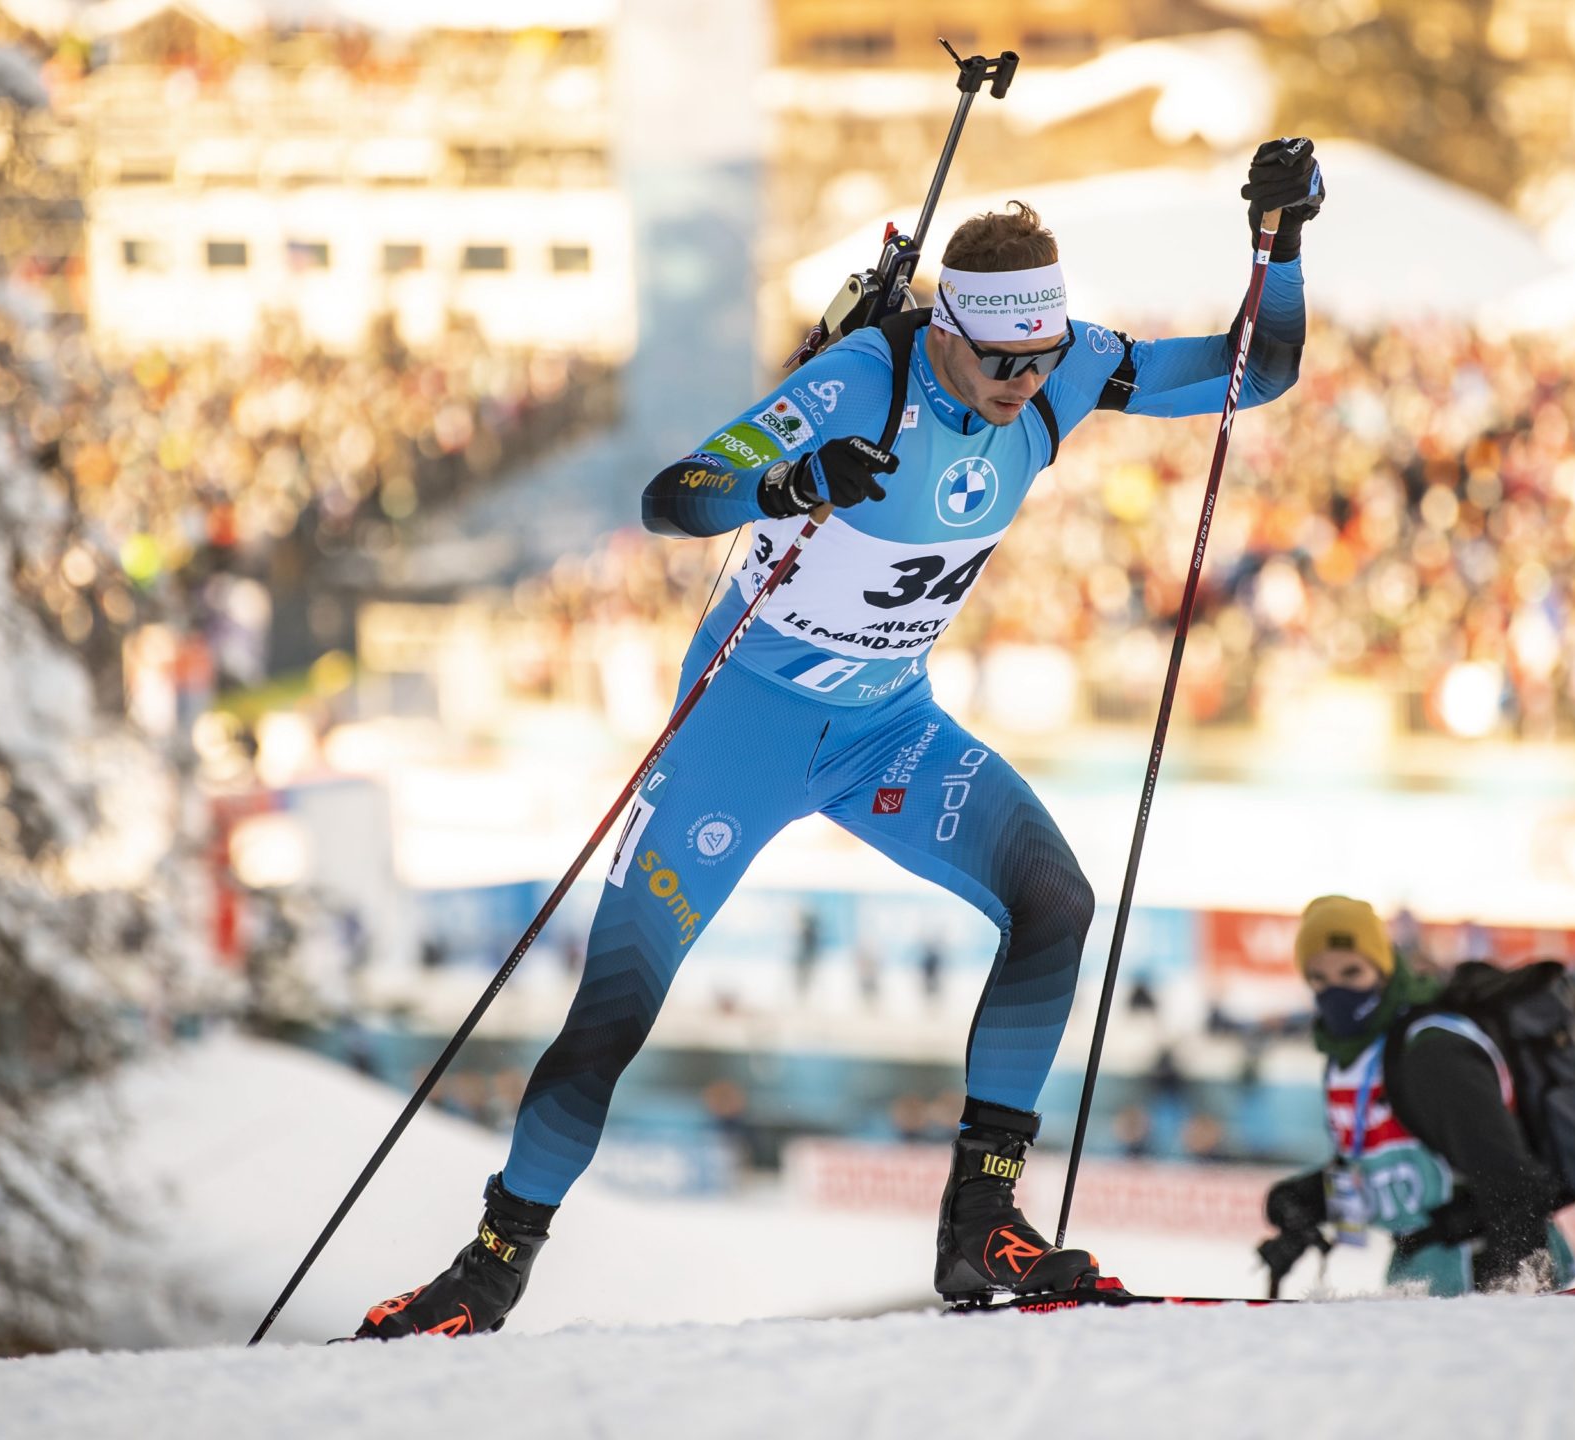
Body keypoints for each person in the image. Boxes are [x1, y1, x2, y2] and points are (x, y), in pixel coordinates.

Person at [356, 140, 1324, 1338]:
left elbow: (1254, 372)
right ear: (948, 331)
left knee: (1054, 903)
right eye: (1002, 359)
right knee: (613, 1014)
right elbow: (676, 495)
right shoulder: (863, 378)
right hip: (739, 734)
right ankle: (492, 1266)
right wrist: (791, 481)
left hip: (885, 729)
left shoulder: (1065, 365)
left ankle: (979, 1224)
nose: (1024, 380)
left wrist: (1279, 246)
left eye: (1040, 355)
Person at [1257, 895, 1575, 1297]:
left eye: (1352, 971)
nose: (1335, 990)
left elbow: (1511, 1181)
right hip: (1423, 1276)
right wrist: (1305, 1202)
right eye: (1319, 978)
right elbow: (1388, 1176)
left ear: (1384, 968)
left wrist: (1516, 1291)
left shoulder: (1429, 1051)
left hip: (1479, 1271)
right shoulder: (1350, 1059)